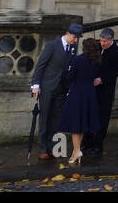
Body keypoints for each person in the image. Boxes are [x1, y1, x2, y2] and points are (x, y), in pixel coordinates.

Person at [29, 22, 80, 160]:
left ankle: (53, 147)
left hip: (62, 88)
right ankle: (43, 148)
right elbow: (41, 65)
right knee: (44, 117)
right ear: (68, 33)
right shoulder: (52, 45)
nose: (76, 40)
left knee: (56, 119)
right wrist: (35, 85)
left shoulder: (74, 47)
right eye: (74, 37)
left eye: (77, 38)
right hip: (47, 86)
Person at [56, 38, 103, 165]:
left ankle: (77, 151)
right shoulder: (97, 61)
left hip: (77, 94)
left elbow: (69, 77)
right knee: (82, 124)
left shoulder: (78, 59)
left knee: (75, 125)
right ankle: (75, 152)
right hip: (90, 94)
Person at [87, 28, 118, 155]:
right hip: (91, 88)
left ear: (111, 40)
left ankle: (98, 144)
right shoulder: (96, 47)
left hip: (106, 89)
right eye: (101, 40)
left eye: (105, 41)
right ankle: (87, 143)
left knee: (103, 117)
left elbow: (116, 71)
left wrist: (101, 79)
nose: (102, 43)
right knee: (90, 115)